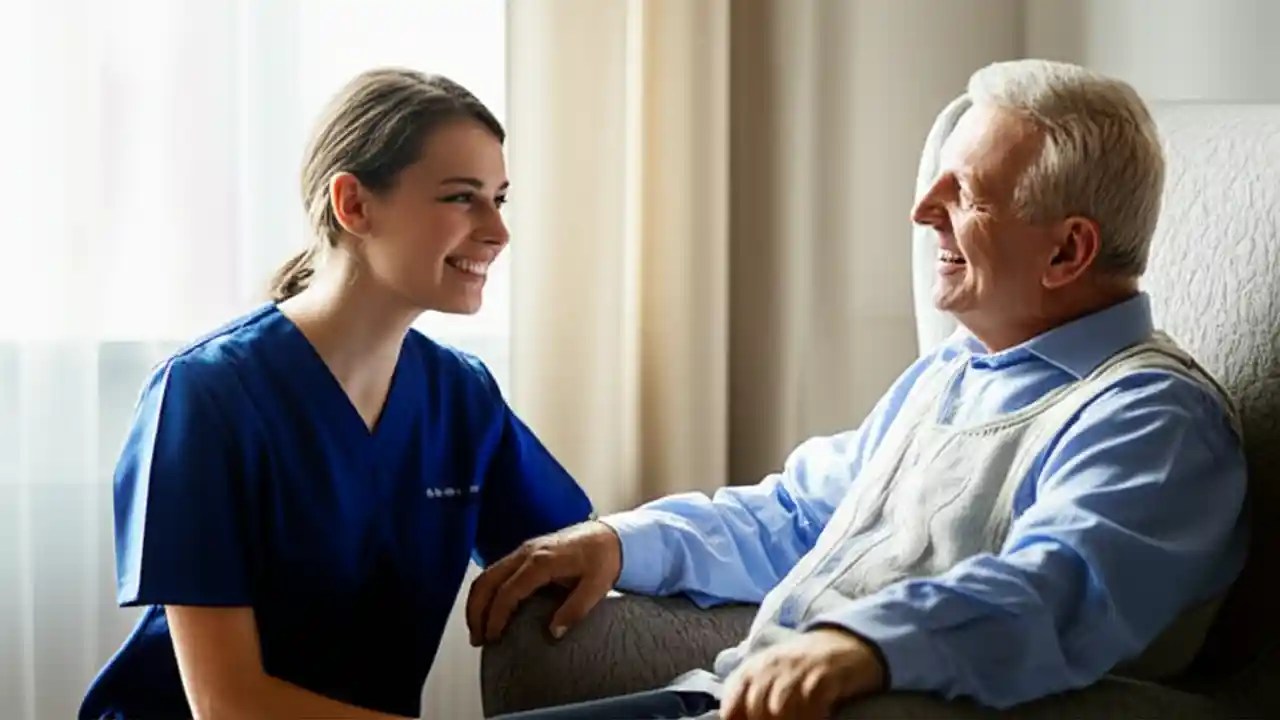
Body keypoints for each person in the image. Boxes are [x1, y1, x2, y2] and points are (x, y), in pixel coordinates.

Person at [468, 59, 1249, 720]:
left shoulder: (1152, 420)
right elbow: (802, 515)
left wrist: (870, 643)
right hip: (715, 697)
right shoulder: (955, 370)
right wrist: (621, 540)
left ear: (1069, 249)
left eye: (967, 195)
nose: (920, 212)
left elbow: (1059, 586)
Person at [78, 68, 594, 720]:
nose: (498, 231)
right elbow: (228, 704)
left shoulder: (461, 398)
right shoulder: (205, 397)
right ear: (353, 204)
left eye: (500, 198)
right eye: (463, 198)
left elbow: (570, 551)